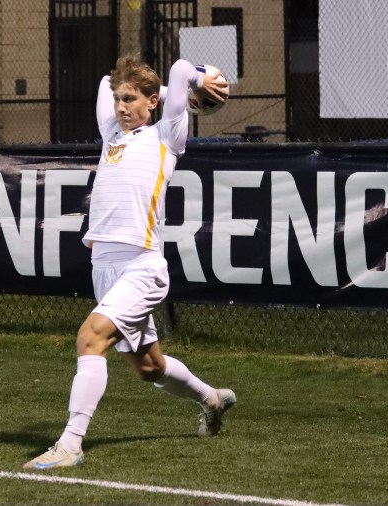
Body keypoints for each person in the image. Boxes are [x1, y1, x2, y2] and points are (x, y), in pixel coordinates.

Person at [24, 55, 233, 470]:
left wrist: (193, 85)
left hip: (142, 267)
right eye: (120, 99)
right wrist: (159, 89)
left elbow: (179, 67)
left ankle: (70, 444)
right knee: (150, 368)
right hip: (104, 269)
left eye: (131, 99)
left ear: (153, 102)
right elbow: (106, 80)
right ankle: (212, 399)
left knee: (90, 338)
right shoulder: (111, 134)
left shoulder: (167, 135)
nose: (121, 106)